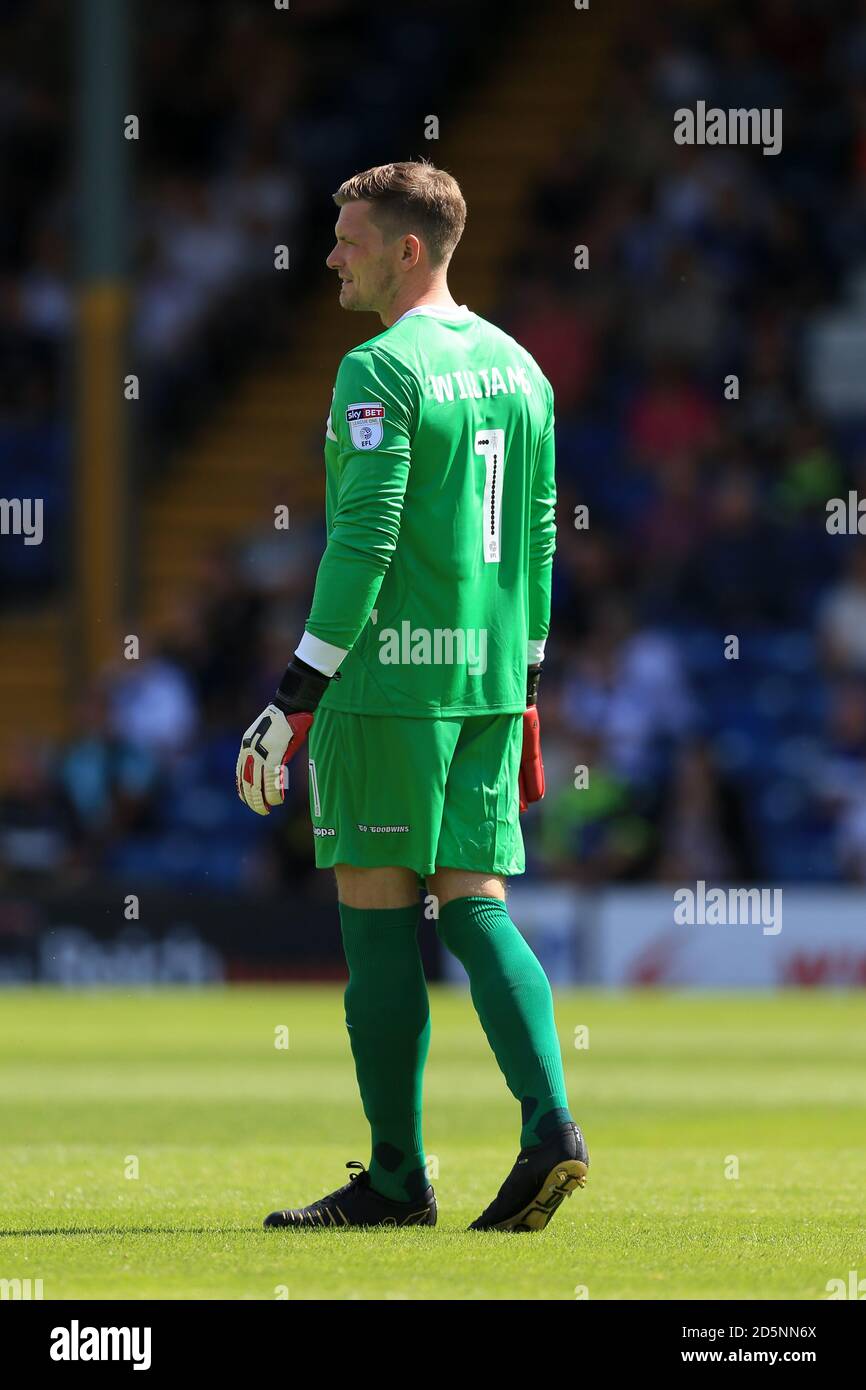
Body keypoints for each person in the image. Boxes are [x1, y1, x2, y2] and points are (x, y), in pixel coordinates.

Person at [236, 160, 588, 1231]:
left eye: (346, 238)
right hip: (484, 680)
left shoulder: (376, 369)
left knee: (380, 931)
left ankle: (396, 1178)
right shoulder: (521, 371)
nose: (330, 254)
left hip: (386, 686)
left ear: (405, 249)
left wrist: (296, 691)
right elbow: (533, 539)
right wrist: (524, 685)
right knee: (476, 906)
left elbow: (365, 537)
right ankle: (549, 1128)